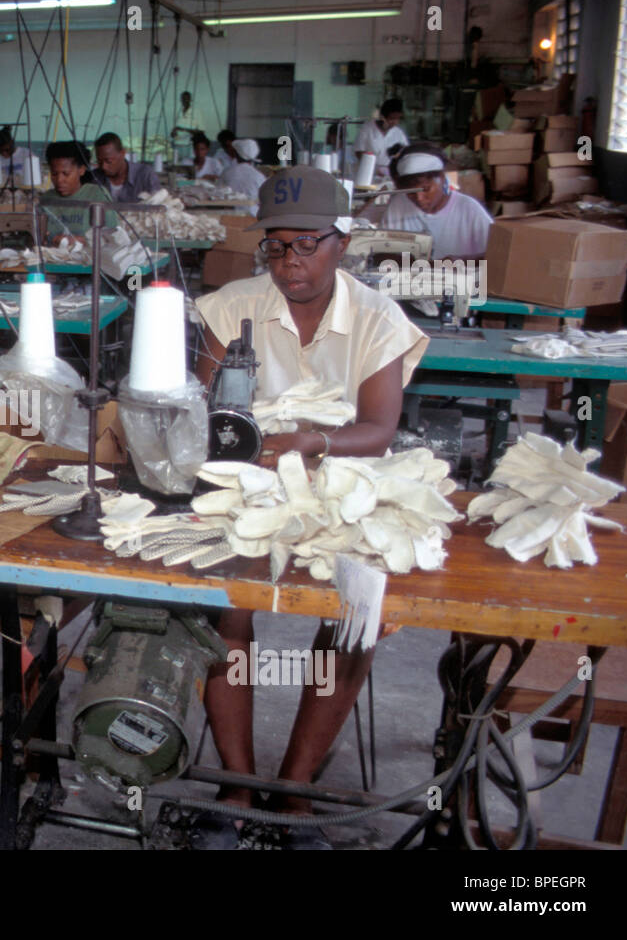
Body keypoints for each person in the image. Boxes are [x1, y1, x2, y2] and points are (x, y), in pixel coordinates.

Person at [192, 165, 428, 848]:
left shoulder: (378, 318)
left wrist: (307, 440)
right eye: (276, 246)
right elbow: (212, 418)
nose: (289, 262)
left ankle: (295, 795)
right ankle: (237, 787)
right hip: (249, 483)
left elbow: (379, 429)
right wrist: (253, 450)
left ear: (342, 243)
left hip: (340, 489)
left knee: (357, 613)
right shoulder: (229, 307)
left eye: (307, 245)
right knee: (224, 602)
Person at [370, 143, 492, 260]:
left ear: (442, 179)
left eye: (426, 189)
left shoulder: (469, 209)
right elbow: (380, 252)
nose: (419, 198)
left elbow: (499, 253)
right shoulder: (398, 205)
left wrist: (463, 260)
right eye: (411, 192)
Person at [38, 140, 117, 245]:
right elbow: (38, 239)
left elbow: (114, 236)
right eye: (54, 174)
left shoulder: (97, 194)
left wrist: (84, 242)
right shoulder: (47, 200)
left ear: (81, 170)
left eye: (66, 174)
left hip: (89, 258)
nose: (59, 179)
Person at [91, 131, 161, 203]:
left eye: (109, 161)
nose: (104, 166)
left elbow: (158, 205)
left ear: (122, 153)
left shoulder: (145, 175)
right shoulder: (96, 178)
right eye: (99, 161)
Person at [352, 98, 409, 177]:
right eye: (392, 118)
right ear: (383, 117)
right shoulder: (367, 129)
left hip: (388, 173)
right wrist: (374, 168)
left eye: (397, 118)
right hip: (367, 172)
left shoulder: (398, 133)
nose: (395, 122)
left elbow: (405, 152)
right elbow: (359, 152)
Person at [219, 138, 267, 215]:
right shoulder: (259, 176)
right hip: (253, 216)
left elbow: (219, 194)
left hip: (230, 216)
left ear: (236, 154)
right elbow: (264, 200)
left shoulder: (226, 173)